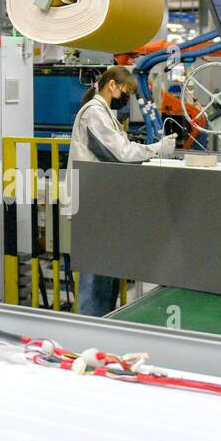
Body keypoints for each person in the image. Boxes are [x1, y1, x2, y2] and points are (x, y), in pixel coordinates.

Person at [65, 65, 177, 316]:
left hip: (104, 201)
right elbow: (121, 153)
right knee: (96, 275)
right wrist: (157, 149)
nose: (125, 98)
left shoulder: (104, 113)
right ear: (111, 85)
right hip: (92, 203)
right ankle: (91, 330)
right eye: (124, 92)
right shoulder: (93, 113)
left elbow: (119, 149)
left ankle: (105, 326)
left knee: (108, 272)